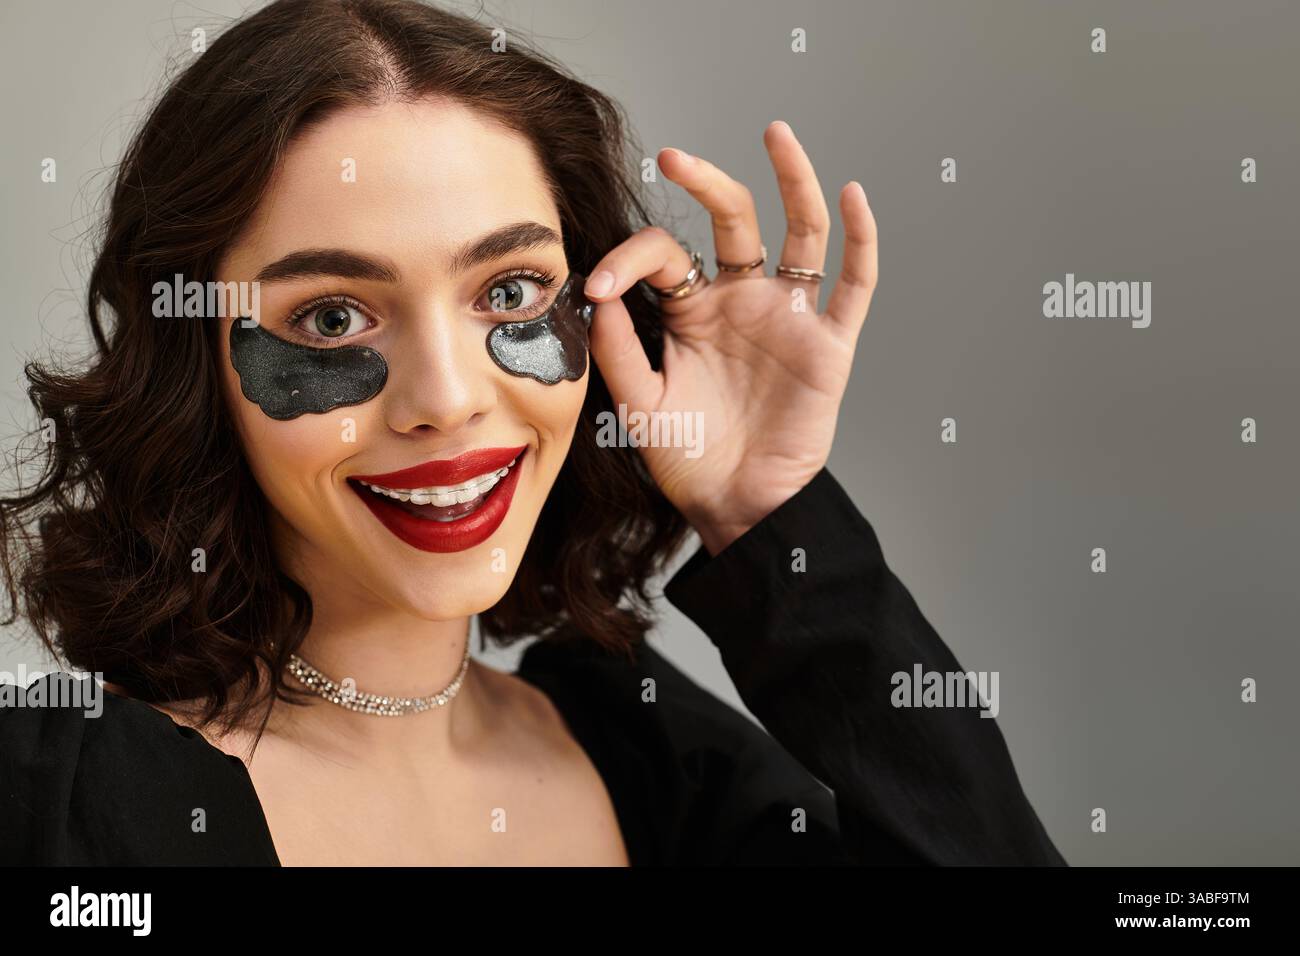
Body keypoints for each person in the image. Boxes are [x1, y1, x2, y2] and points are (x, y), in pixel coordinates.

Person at [0, 0, 1064, 866]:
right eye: (331, 317)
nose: (449, 398)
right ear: (193, 362)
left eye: (509, 290)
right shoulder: (66, 806)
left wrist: (764, 507)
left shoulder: (637, 749)